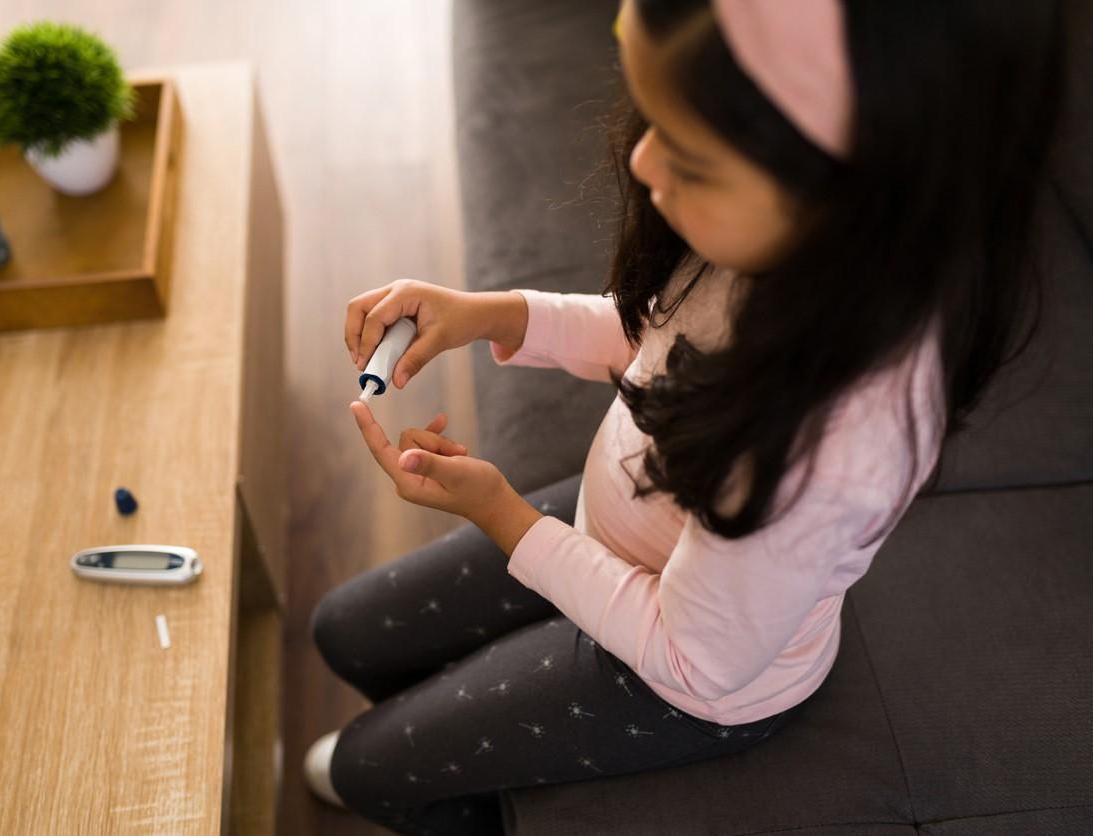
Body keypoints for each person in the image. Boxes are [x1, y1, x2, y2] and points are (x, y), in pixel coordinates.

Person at [306, 0, 1066, 832]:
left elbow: (696, 660)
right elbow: (663, 339)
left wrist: (503, 515)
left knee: (366, 771)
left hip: (680, 676)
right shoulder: (779, 248)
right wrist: (491, 313)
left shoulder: (834, 449)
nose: (641, 160)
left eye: (692, 158)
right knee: (347, 634)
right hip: (622, 529)